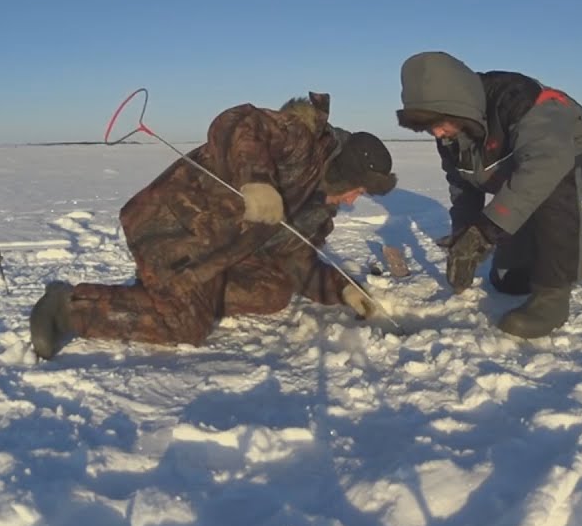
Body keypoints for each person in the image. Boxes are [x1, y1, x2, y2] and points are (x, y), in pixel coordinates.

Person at [29, 92, 396, 359]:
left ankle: (189, 292)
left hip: (217, 251)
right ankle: (68, 307)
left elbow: (297, 260)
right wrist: (256, 181)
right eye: (357, 190)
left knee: (273, 289)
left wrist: (343, 290)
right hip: (169, 228)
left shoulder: (316, 207)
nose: (352, 201)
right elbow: (238, 123)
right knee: (185, 327)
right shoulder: (299, 139)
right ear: (344, 173)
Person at [396, 51, 582, 338]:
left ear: (459, 105)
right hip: (518, 171)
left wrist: (486, 231)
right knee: (510, 282)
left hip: (575, 159)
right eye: (427, 126)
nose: (436, 132)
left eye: (439, 121)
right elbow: (462, 187)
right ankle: (574, 250)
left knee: (547, 181)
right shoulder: (450, 134)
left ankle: (554, 294)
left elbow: (545, 163)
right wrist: (463, 240)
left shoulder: (519, 100)